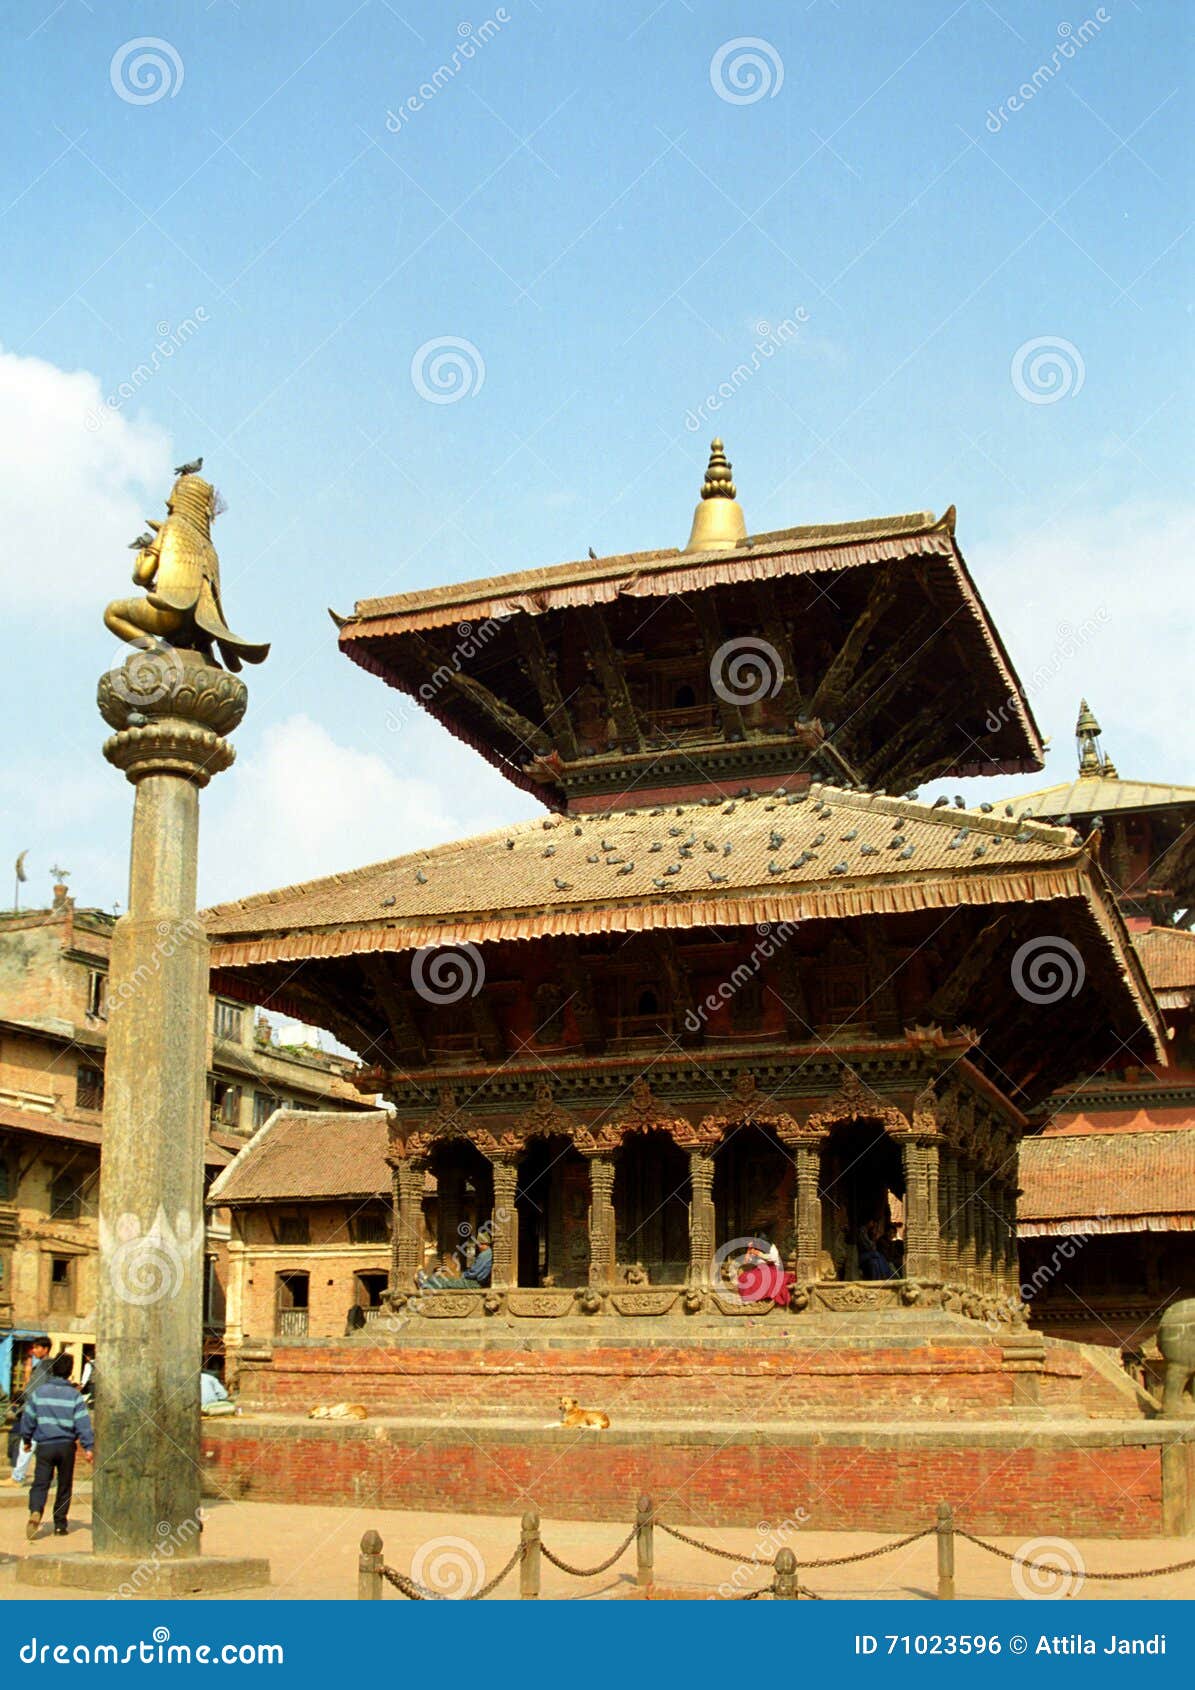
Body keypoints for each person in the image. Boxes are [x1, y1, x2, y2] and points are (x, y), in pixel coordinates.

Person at [19, 1352, 94, 1540]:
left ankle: (35, 1512)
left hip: (45, 1445)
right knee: (64, 1485)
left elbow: (28, 1419)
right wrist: (88, 1447)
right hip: (66, 1446)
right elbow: (82, 1423)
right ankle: (60, 1524)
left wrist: (27, 1440)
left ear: (52, 1370)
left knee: (40, 1483)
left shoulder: (39, 1394)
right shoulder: (74, 1396)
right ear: (69, 1372)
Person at [4, 1336, 53, 1487]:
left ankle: (18, 1477)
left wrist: (22, 1407)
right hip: (44, 1410)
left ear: (45, 1349)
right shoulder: (47, 1366)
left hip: (35, 1410)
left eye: (38, 1348)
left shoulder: (44, 1366)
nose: (35, 1351)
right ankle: (42, 1477)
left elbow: (33, 1390)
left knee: (27, 1443)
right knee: (40, 1445)